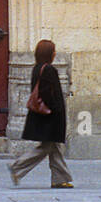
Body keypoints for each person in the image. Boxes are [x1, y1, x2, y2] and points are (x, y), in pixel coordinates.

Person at [8, 38, 73, 188]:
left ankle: (60, 179)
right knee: (46, 147)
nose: (55, 53)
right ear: (49, 53)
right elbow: (50, 95)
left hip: (43, 116)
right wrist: (57, 114)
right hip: (50, 117)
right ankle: (17, 168)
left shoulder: (37, 68)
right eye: (53, 51)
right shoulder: (49, 70)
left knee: (54, 147)